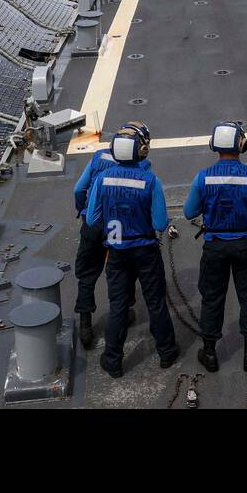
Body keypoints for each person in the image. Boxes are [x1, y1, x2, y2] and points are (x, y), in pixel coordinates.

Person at [84, 121, 178, 377]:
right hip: (145, 250)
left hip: (116, 251)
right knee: (156, 303)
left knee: (118, 306)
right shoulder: (151, 180)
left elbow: (92, 220)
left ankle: (113, 360)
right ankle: (167, 353)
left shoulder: (102, 179)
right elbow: (160, 223)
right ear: (142, 151)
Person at [183, 121, 247, 373]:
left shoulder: (202, 177)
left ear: (214, 146)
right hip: (245, 244)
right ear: (242, 145)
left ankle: (210, 353)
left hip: (214, 246)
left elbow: (189, 211)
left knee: (212, 298)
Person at [71, 122, 147, 349]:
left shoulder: (98, 157)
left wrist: (83, 211)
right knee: (124, 269)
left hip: (92, 224)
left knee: (87, 273)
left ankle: (85, 325)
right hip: (121, 226)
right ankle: (124, 311)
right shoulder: (143, 165)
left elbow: (79, 189)